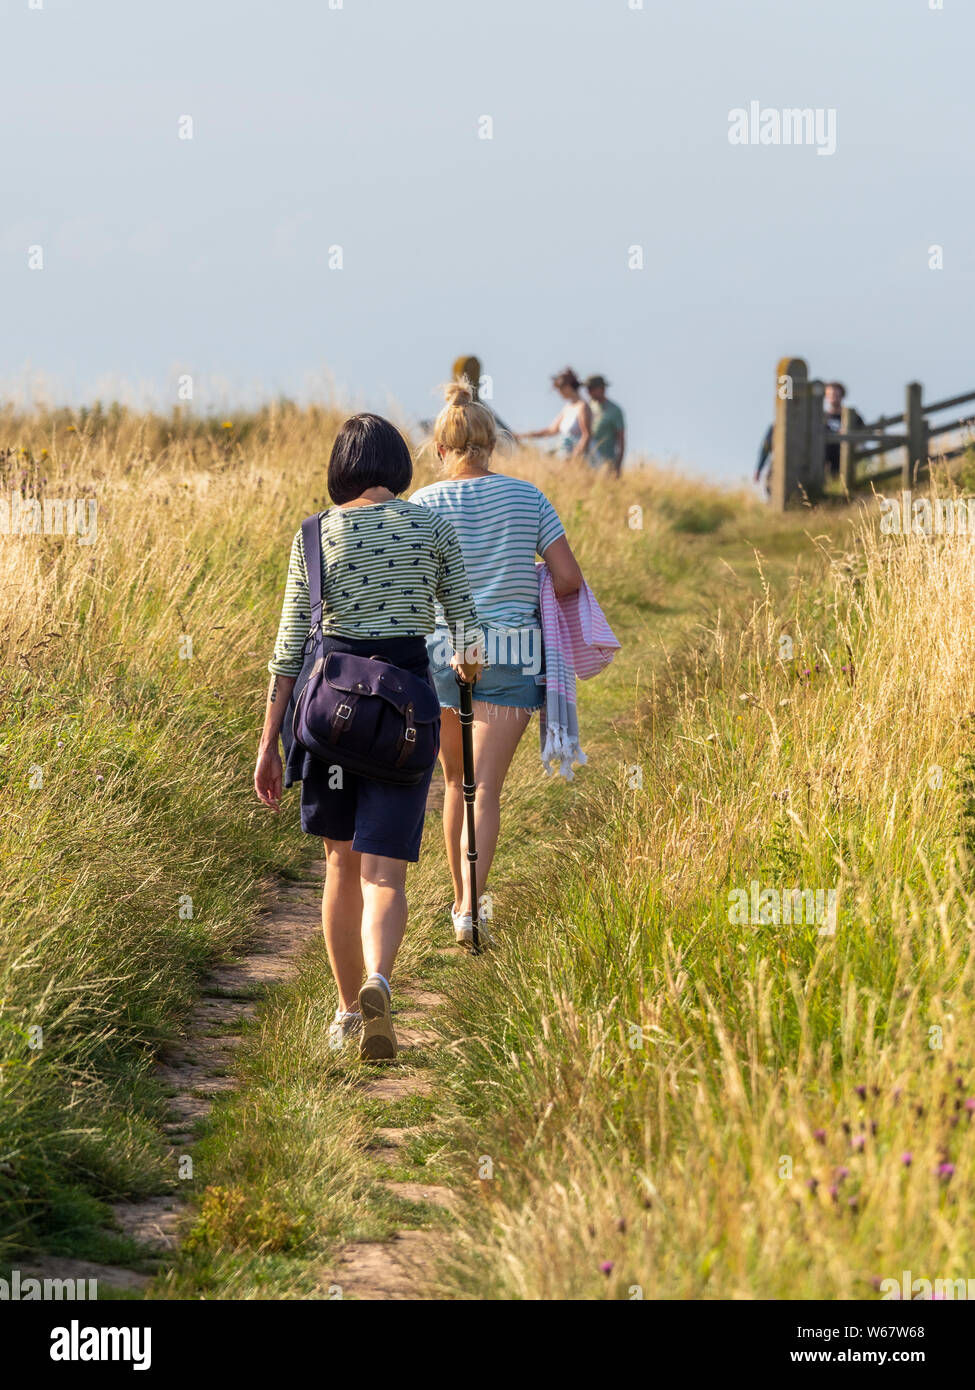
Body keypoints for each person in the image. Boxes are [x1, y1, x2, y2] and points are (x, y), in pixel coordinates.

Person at [254, 413, 483, 1058]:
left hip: (330, 722)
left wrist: (268, 743)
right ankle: (381, 979)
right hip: (405, 721)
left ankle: (347, 1012)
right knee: (386, 874)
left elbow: (288, 649)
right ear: (399, 467)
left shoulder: (315, 536)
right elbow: (467, 630)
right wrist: (466, 668)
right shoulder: (429, 525)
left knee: (339, 865)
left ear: (341, 469)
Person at [412, 381, 583, 945]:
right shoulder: (529, 497)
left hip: (442, 651)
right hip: (512, 654)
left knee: (453, 780)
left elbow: (414, 586)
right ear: (492, 444)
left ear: (440, 451)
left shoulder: (422, 505)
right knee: (486, 788)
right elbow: (567, 579)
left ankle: (459, 902)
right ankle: (472, 909)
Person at [515, 368, 592, 461]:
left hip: (576, 459)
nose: (559, 393)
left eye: (559, 389)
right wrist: (523, 436)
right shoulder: (568, 407)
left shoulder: (583, 407)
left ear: (567, 387)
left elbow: (586, 435)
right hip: (564, 456)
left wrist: (576, 457)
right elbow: (550, 430)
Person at [584, 375, 625, 474]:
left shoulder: (614, 410)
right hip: (587, 460)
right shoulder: (587, 407)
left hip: (606, 461)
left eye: (591, 389)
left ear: (602, 389)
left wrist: (618, 463)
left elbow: (621, 439)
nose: (589, 392)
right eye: (588, 389)